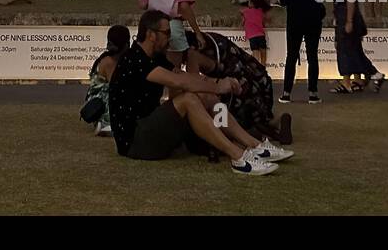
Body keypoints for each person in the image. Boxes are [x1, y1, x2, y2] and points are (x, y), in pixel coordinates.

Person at [107, 10, 287, 174]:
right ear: (150, 34)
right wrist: (218, 86)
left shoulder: (156, 58)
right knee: (189, 100)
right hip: (134, 141)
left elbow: (185, 77)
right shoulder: (135, 60)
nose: (170, 38)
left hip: (149, 128)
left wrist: (219, 83)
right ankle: (238, 157)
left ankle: (254, 145)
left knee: (206, 96)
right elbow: (178, 81)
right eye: (166, 33)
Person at [187, 29, 287, 142]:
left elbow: (194, 83)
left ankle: (257, 132)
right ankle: (273, 123)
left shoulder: (191, 54)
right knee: (258, 110)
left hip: (235, 82)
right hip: (250, 70)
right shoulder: (208, 39)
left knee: (227, 108)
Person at [329, 0, 385, 94]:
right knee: (354, 50)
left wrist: (348, 21)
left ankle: (352, 80)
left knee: (346, 51)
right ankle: (367, 76)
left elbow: (349, 1)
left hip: (346, 18)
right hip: (348, 18)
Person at [279, 0, 325, 104]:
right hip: (312, 17)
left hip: (295, 18)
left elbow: (284, 0)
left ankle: (286, 92)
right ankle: (313, 92)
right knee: (312, 56)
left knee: (291, 55)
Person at [82, 24, 130, 137]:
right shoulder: (109, 61)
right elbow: (117, 86)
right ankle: (106, 124)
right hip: (100, 104)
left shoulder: (115, 59)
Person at [241, 0, 271, 66]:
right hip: (260, 35)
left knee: (255, 55)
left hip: (252, 36)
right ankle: (263, 69)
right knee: (263, 54)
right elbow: (265, 20)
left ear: (251, 3)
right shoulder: (260, 11)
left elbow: (242, 22)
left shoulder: (245, 11)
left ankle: (256, 70)